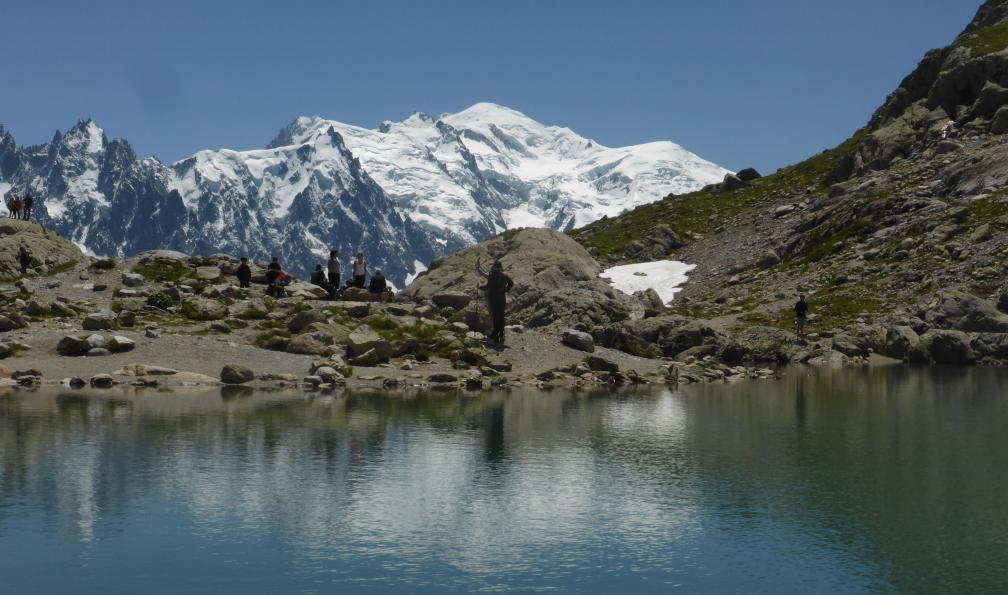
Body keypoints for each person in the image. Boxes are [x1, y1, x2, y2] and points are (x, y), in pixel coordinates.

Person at [476, 258, 514, 343]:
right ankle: (501, 334)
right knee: (501, 315)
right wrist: (504, 290)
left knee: (495, 316)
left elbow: (488, 287)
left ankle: (495, 334)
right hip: (502, 298)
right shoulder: (504, 275)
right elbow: (511, 283)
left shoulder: (491, 275)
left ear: (494, 266)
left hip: (493, 298)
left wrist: (480, 287)